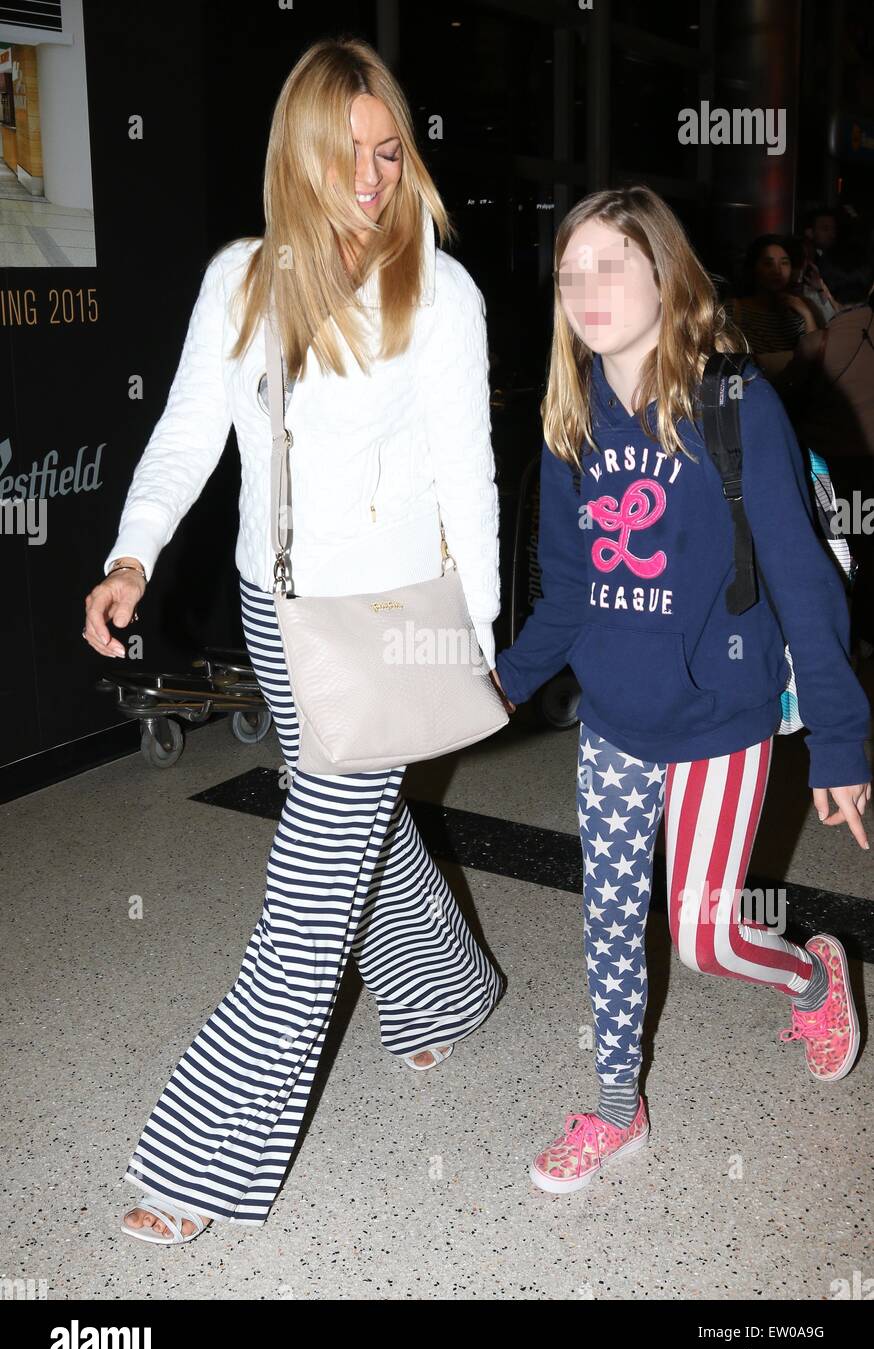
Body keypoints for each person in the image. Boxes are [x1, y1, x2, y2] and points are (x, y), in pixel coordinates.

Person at [82, 36, 504, 1244]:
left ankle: (197, 1166)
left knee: (309, 890)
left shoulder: (441, 292)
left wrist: (473, 638)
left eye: (388, 151)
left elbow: (467, 479)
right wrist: (131, 555)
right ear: (297, 156)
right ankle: (452, 993)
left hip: (385, 618)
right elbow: (184, 435)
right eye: (346, 154)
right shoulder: (242, 280)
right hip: (277, 612)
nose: (372, 178)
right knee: (357, 827)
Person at [491, 185, 871, 1196]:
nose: (587, 288)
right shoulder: (568, 421)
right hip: (614, 722)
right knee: (609, 918)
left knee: (704, 937)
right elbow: (567, 594)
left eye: (611, 263)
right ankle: (618, 1106)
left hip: (720, 718)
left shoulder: (733, 402)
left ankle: (810, 971)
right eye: (571, 271)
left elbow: (800, 577)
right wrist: (501, 685)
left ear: (664, 273)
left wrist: (837, 739)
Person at [774, 232, 874, 649]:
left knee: (845, 554)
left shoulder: (817, 345)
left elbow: (786, 401)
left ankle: (845, 636)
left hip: (835, 474)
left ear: (826, 287)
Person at [725, 233, 819, 380]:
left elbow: (815, 360)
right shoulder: (733, 310)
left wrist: (806, 313)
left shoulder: (800, 310)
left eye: (784, 263)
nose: (777, 271)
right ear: (754, 268)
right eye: (768, 264)